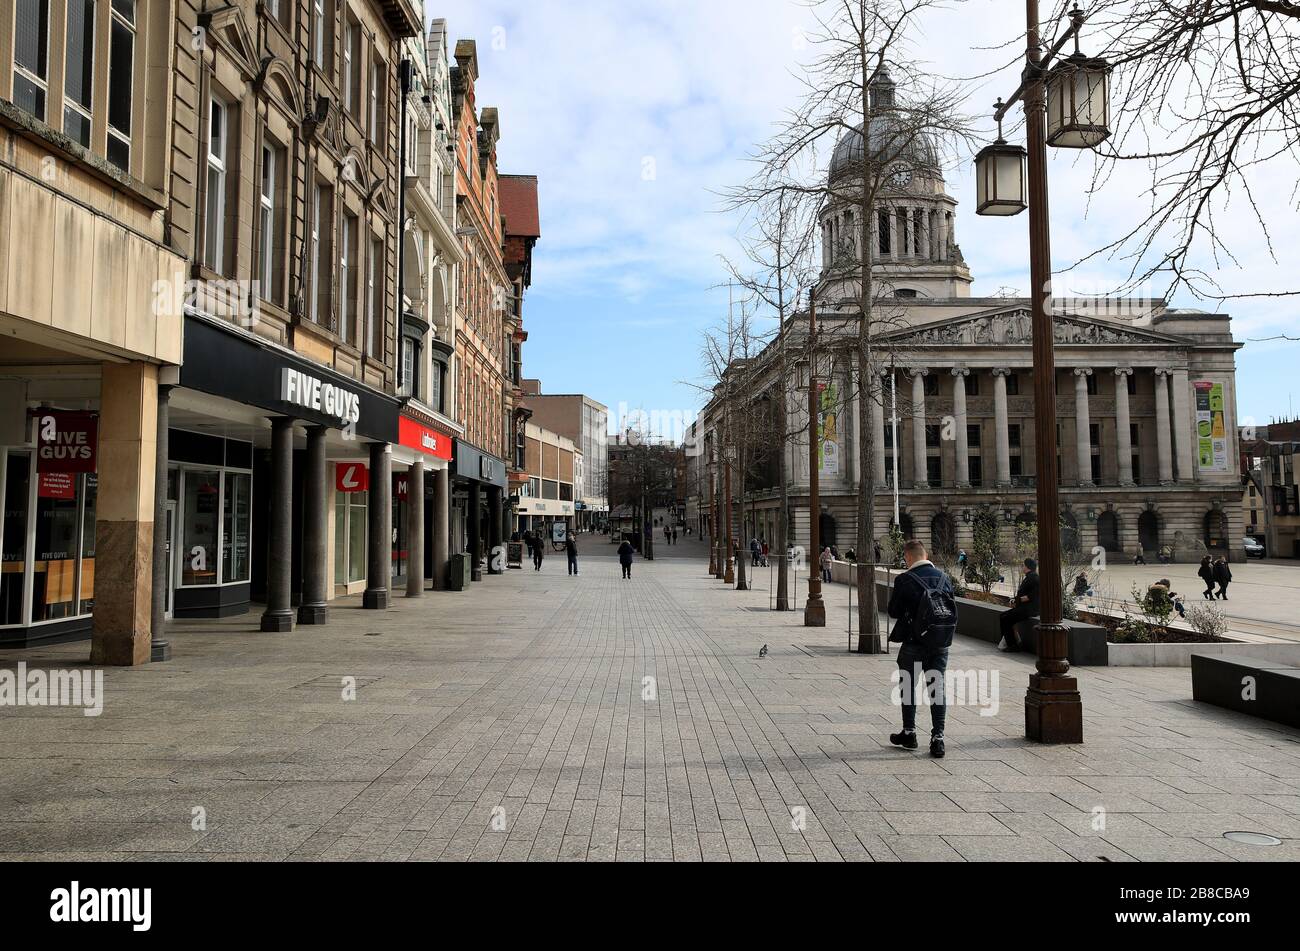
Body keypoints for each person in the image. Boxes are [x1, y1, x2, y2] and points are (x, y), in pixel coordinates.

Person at [886, 539, 956, 759]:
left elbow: (893, 611)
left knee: (908, 686)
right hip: (940, 643)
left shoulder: (904, 580)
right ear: (925, 555)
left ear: (908, 557)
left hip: (913, 643)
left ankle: (910, 733)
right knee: (938, 688)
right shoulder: (944, 578)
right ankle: (938, 739)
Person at [998, 558, 1040, 653]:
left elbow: (1030, 597)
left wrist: (1016, 600)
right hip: (1024, 607)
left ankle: (1013, 645)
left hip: (1030, 609)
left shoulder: (1034, 578)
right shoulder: (1030, 577)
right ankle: (1010, 642)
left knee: (1006, 618)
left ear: (1027, 567)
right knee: (1003, 616)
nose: (1022, 567)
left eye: (1023, 565)